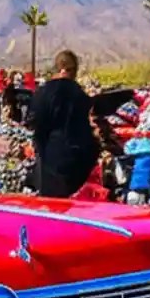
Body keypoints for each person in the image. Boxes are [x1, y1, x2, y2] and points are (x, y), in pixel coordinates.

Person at [26, 50, 99, 197]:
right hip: (75, 157)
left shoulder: (42, 93)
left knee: (51, 205)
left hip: (49, 156)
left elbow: (32, 122)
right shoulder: (80, 95)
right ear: (75, 70)